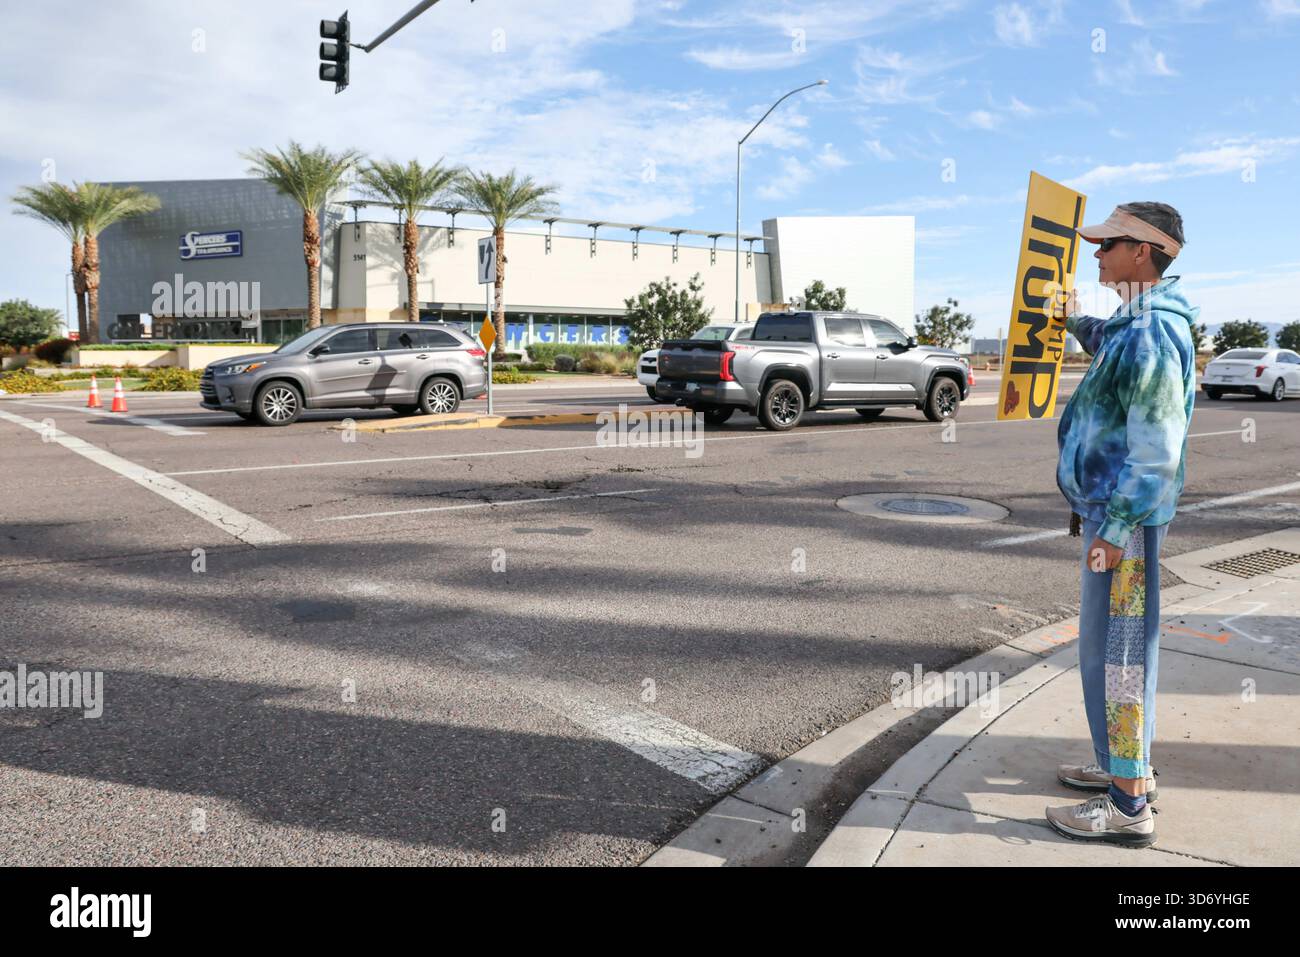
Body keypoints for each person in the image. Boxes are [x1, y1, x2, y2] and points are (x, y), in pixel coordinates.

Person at [1044, 201, 1198, 847]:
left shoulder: (1151, 330)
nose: (1097, 254)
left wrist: (1114, 530)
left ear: (1144, 251)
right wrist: (1071, 317)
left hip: (1122, 521)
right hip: (1112, 513)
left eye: (1108, 245)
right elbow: (1106, 342)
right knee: (1105, 651)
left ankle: (1129, 805)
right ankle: (1118, 765)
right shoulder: (1132, 323)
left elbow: (1156, 448)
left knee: (1122, 658)